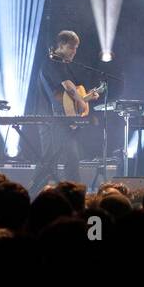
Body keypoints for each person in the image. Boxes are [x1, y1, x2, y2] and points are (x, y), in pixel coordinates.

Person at [30, 30, 100, 192]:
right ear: (60, 45)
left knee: (68, 157)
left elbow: (66, 98)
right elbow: (68, 87)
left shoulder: (60, 64)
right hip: (49, 117)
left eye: (76, 48)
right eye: (71, 48)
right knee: (52, 159)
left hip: (59, 118)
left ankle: (72, 193)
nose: (74, 52)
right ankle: (34, 193)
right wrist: (82, 100)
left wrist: (87, 97)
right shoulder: (53, 61)